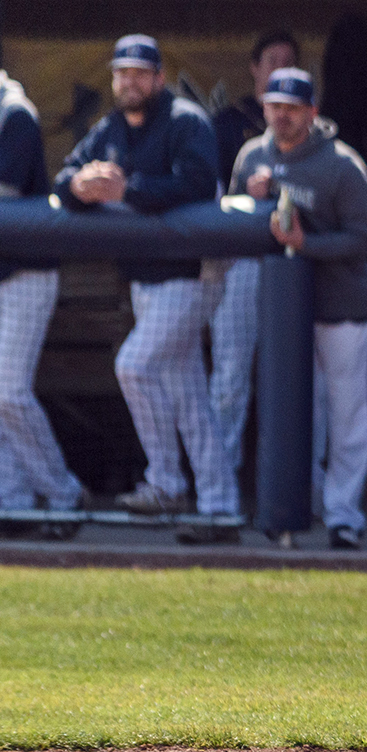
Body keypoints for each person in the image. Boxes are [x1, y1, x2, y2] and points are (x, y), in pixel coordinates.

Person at [56, 35, 237, 544]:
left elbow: (198, 185)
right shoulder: (109, 128)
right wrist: (78, 185)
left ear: (158, 77)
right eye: (122, 73)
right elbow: (63, 177)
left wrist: (127, 190)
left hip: (192, 273)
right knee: (187, 393)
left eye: (140, 73)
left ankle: (165, 482)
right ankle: (220, 507)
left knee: (134, 365)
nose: (129, 82)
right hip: (144, 279)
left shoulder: (186, 121)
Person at [230, 69, 367, 549]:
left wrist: (306, 241)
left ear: (312, 112)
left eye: (291, 107)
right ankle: (296, 506)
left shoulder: (342, 164)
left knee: (347, 413)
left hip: (341, 306)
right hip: (281, 310)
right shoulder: (251, 155)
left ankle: (344, 514)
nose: (282, 115)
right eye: (274, 106)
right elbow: (229, 224)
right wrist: (249, 200)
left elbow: (363, 239)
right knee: (291, 412)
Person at [207, 29, 300, 477]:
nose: (279, 68)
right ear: (255, 68)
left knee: (296, 379)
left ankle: (303, 485)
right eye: (272, 60)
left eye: (289, 61)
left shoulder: (315, 132)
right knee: (230, 375)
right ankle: (221, 484)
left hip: (297, 264)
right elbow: (209, 197)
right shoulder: (229, 125)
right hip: (241, 263)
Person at [0, 68, 86, 540]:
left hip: (27, 271)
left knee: (9, 391)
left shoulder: (14, 113)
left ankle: (61, 493)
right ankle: (12, 500)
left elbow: (6, 202)